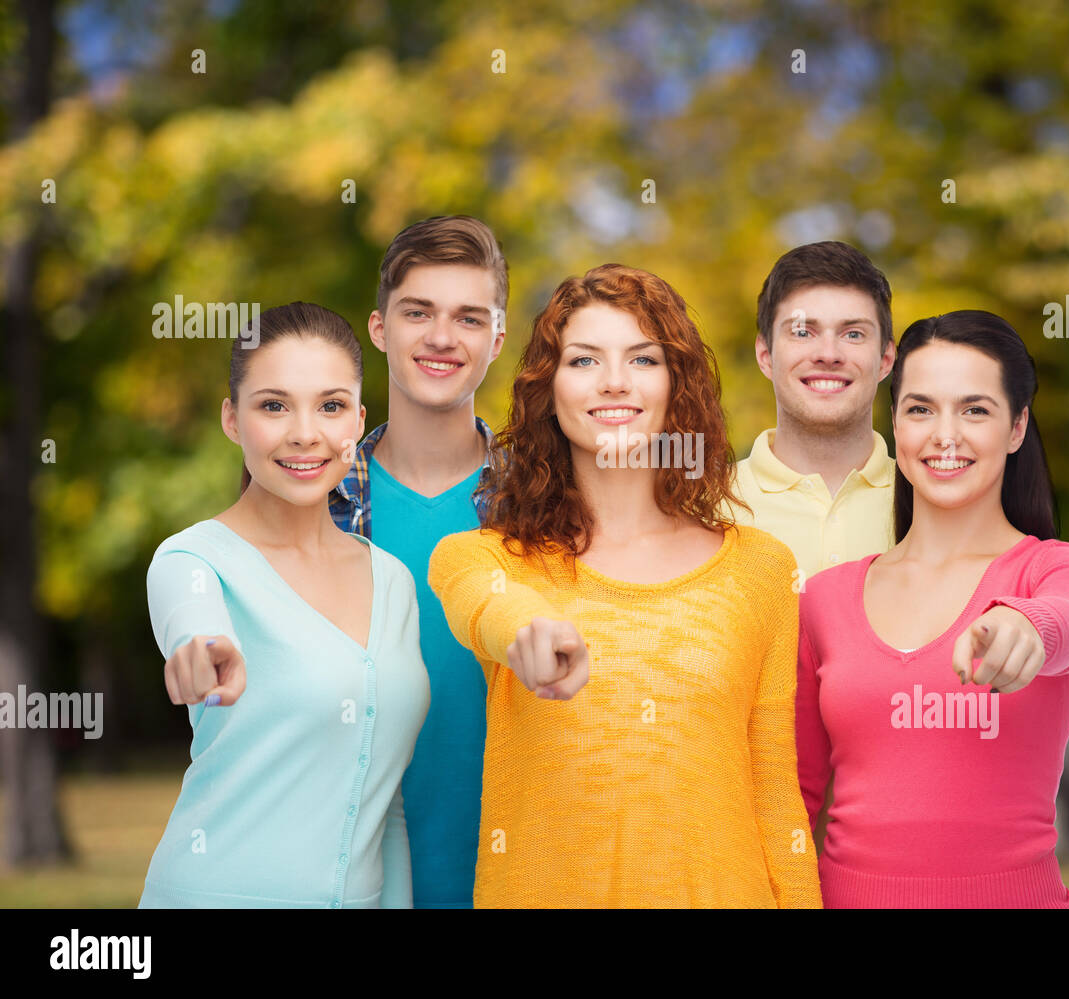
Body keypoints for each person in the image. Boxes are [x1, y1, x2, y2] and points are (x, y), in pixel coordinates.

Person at [429, 264, 822, 908]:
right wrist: (532, 631)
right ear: (548, 392)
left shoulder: (762, 569)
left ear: (676, 387)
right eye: (584, 361)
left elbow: (776, 793)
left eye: (642, 359)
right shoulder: (485, 559)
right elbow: (491, 608)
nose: (614, 381)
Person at [160, 216, 509, 909]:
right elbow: (198, 602)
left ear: (497, 340)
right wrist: (197, 652)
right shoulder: (309, 495)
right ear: (380, 329)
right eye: (418, 313)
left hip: (512, 880)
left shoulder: (544, 509)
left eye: (468, 317)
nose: (441, 337)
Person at [795, 310, 1069, 908]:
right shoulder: (824, 600)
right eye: (920, 408)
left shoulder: (1053, 571)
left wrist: (1024, 624)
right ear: (894, 424)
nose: (945, 435)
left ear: (1017, 428)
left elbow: (1067, 619)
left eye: (975, 409)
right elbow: (795, 795)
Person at [140, 302, 429, 908]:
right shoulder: (192, 562)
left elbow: (386, 801)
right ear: (232, 419)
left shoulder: (395, 582)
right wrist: (204, 653)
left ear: (358, 419)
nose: (305, 432)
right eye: (274, 405)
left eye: (330, 405)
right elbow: (195, 627)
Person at [729, 241, 897, 581]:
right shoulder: (700, 506)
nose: (828, 353)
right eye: (803, 331)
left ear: (885, 360)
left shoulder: (934, 501)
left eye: (853, 333)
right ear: (766, 355)